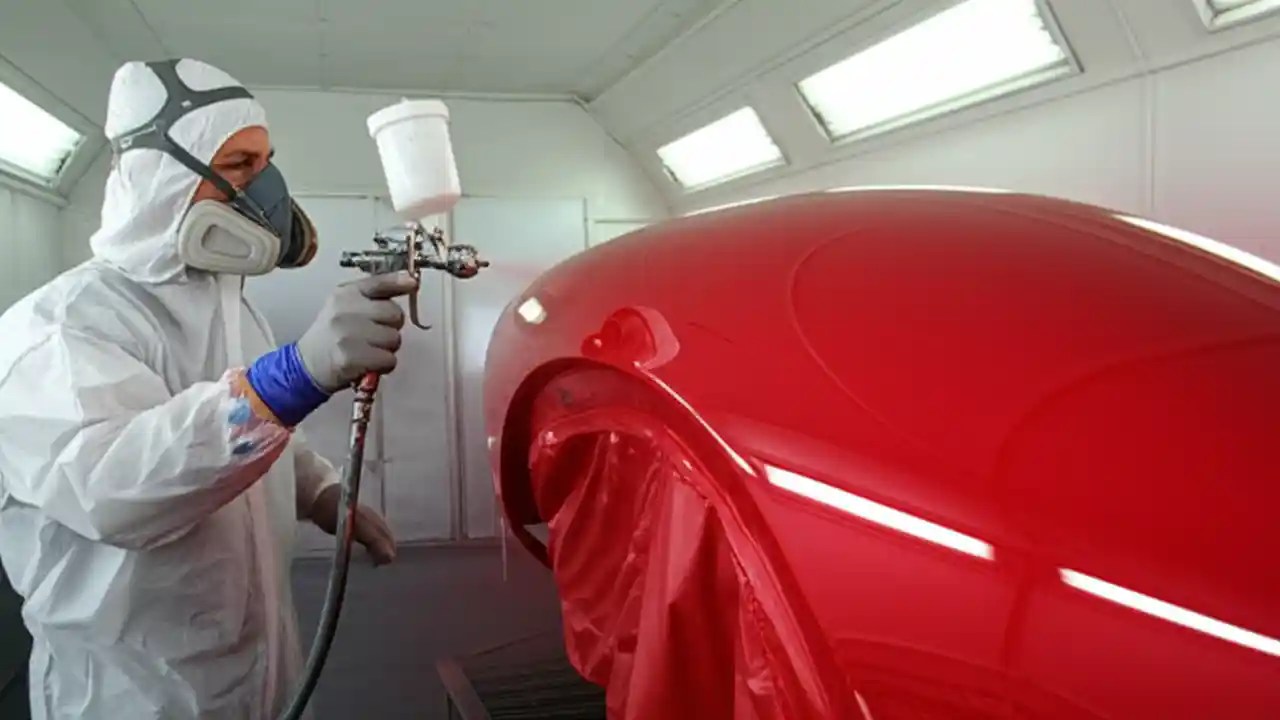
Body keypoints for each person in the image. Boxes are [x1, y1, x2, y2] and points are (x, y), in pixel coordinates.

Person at [0, 58, 409, 719]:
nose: (267, 189)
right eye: (241, 165)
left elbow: (255, 423)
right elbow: (114, 488)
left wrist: (322, 491)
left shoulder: (228, 304)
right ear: (160, 176)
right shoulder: (59, 327)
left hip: (254, 668)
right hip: (132, 693)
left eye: (265, 161)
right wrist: (296, 375)